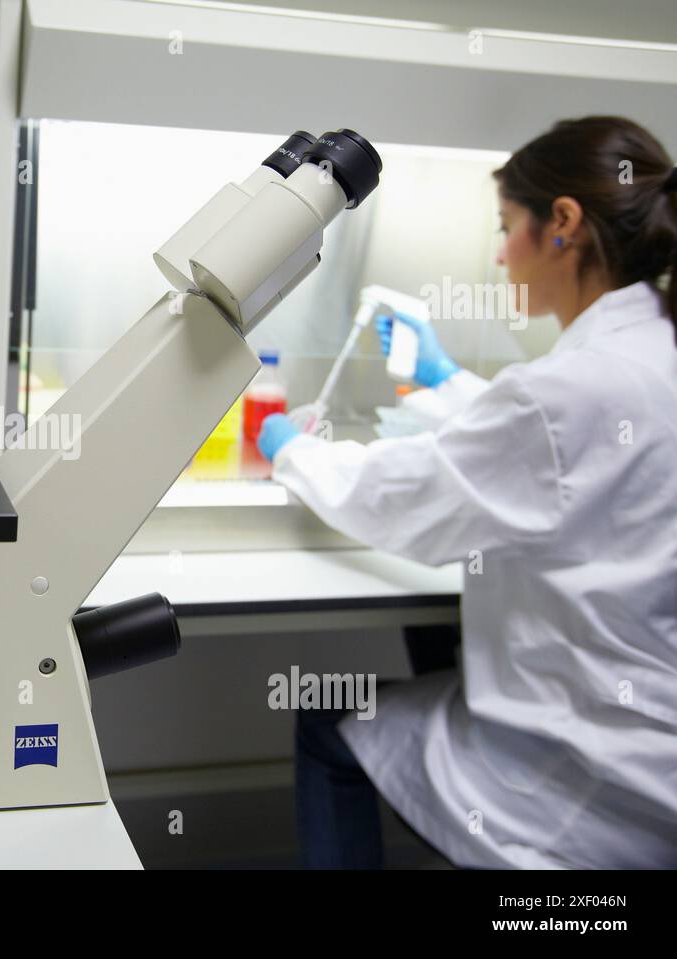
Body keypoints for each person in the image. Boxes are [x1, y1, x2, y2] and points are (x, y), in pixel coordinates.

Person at [257, 116, 677, 869]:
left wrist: (296, 454)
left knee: (325, 716)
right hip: (653, 747)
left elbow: (406, 500)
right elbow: (554, 456)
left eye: (507, 225)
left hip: (590, 784)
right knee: (441, 641)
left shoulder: (568, 390)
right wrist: (448, 387)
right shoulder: (649, 349)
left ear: (564, 224)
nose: (498, 253)